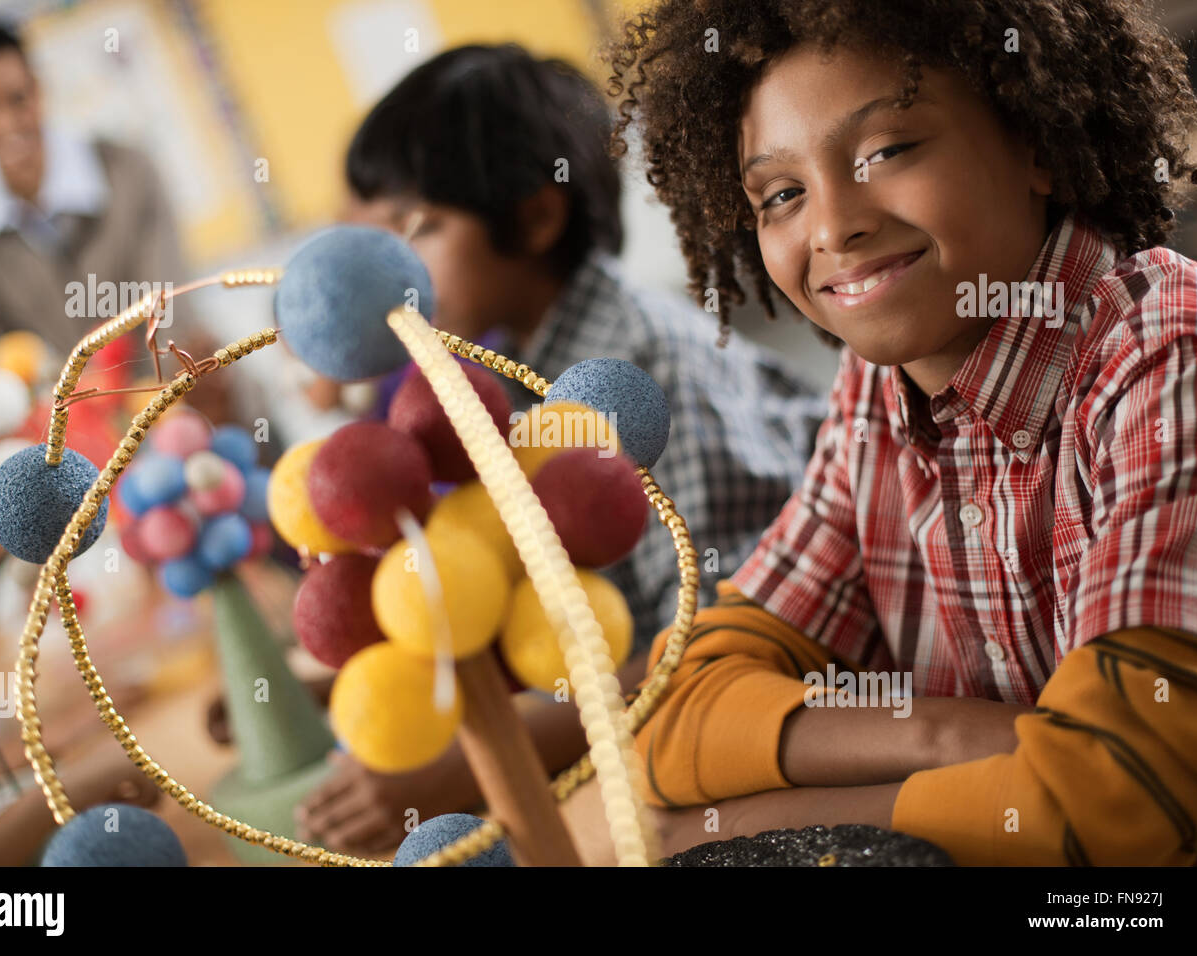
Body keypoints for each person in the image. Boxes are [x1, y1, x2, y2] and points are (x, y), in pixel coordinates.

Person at [595, 0, 1197, 865]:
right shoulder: (878, 394)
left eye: (888, 151)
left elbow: (1110, 801)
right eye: (781, 194)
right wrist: (954, 739)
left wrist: (757, 823)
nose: (832, 224)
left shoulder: (1169, 355)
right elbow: (672, 709)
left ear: (1031, 139)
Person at [292, 43, 827, 854]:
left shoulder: (634, 376)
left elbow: (713, 644)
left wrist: (476, 760)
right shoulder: (512, 377)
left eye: (419, 229)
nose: (397, 271)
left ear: (539, 216)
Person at [0, 21, 220, 386]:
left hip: (183, 386)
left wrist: (140, 403)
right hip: (76, 430)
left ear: (37, 88)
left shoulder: (129, 170)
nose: (6, 123)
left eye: (17, 98)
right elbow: (1, 360)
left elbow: (170, 310)